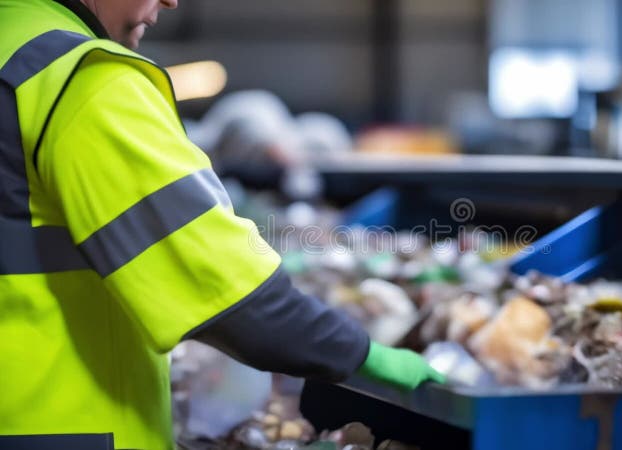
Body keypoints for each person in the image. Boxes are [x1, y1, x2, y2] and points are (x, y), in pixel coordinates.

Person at [0, 1, 444, 448]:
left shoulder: (12, 46)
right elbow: (231, 294)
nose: (171, 0)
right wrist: (368, 356)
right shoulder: (81, 80)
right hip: (63, 428)